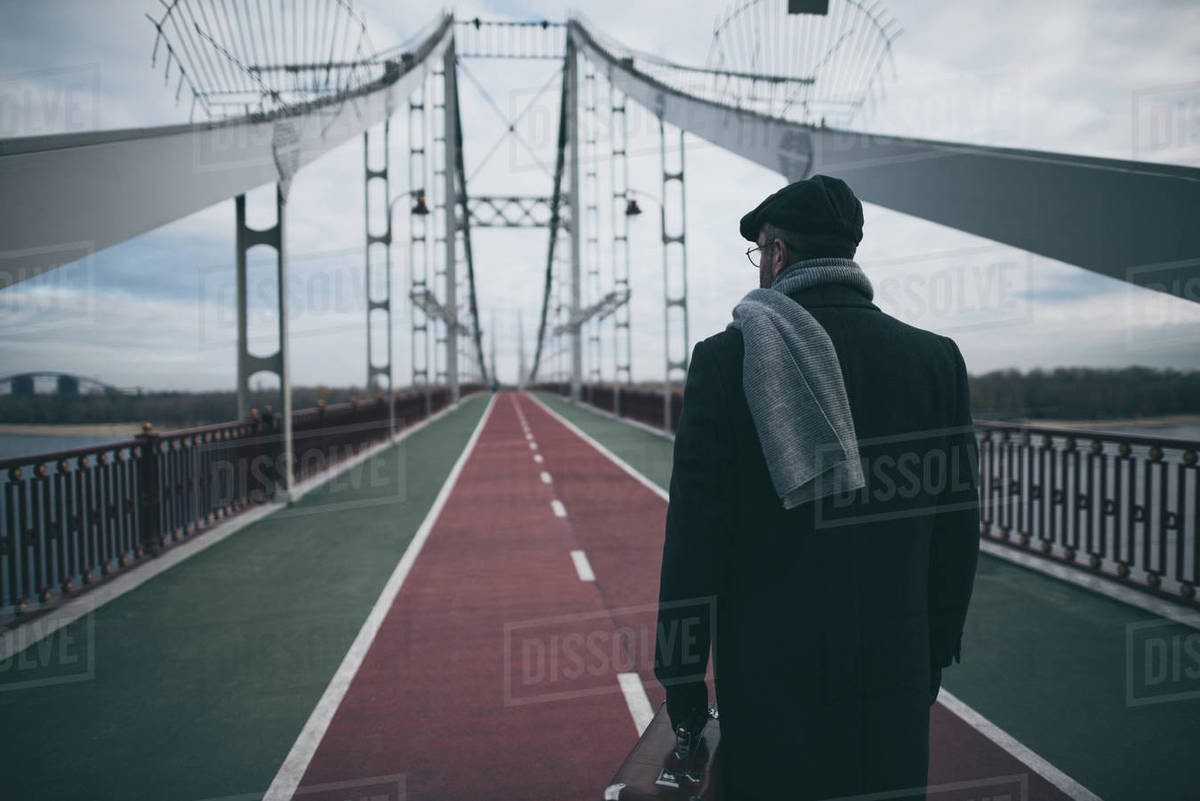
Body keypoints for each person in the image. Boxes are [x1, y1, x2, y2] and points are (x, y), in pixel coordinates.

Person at [653, 175, 980, 801]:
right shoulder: (937, 360)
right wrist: (931, 653)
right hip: (896, 674)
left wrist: (682, 676)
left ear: (777, 253)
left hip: (773, 687)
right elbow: (956, 531)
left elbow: (695, 539)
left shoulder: (727, 361)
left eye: (760, 255)